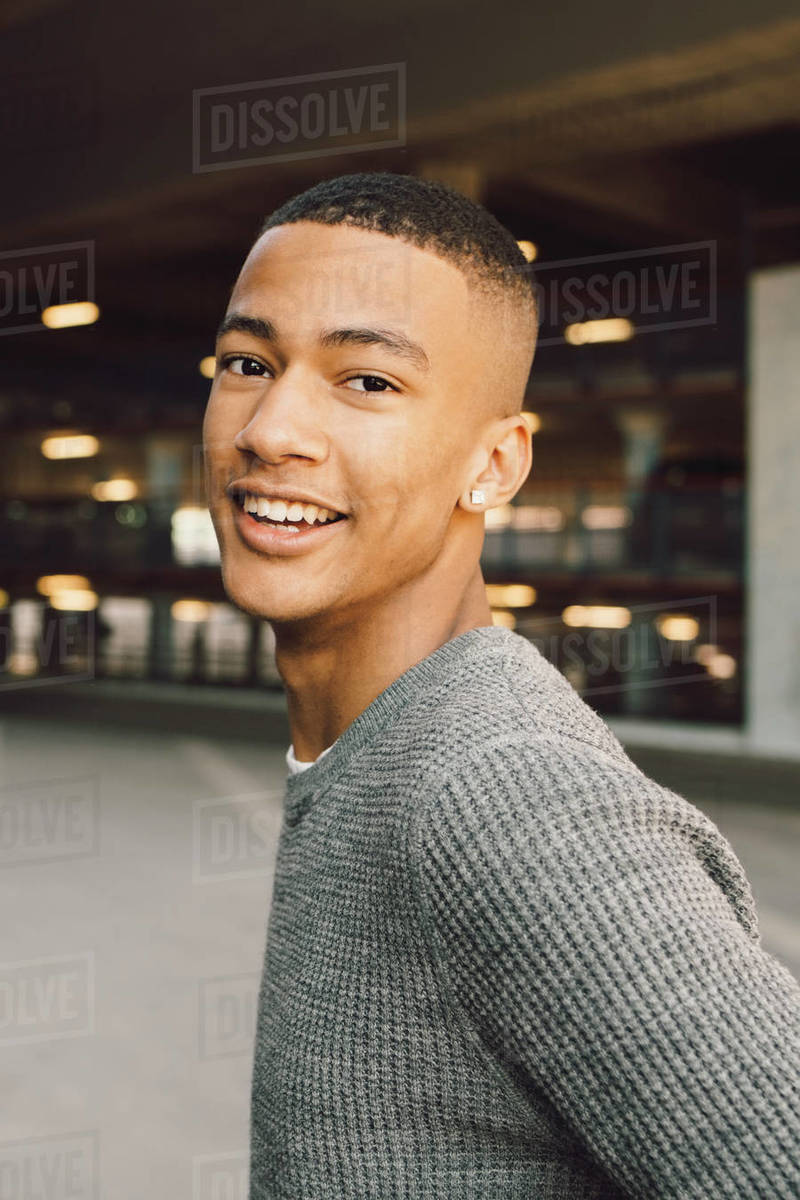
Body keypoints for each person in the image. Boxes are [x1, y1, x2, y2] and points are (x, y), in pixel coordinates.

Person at [203, 172, 800, 1199]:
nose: (270, 427)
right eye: (248, 362)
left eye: (368, 382)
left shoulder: (500, 798)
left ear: (494, 464)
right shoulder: (374, 752)